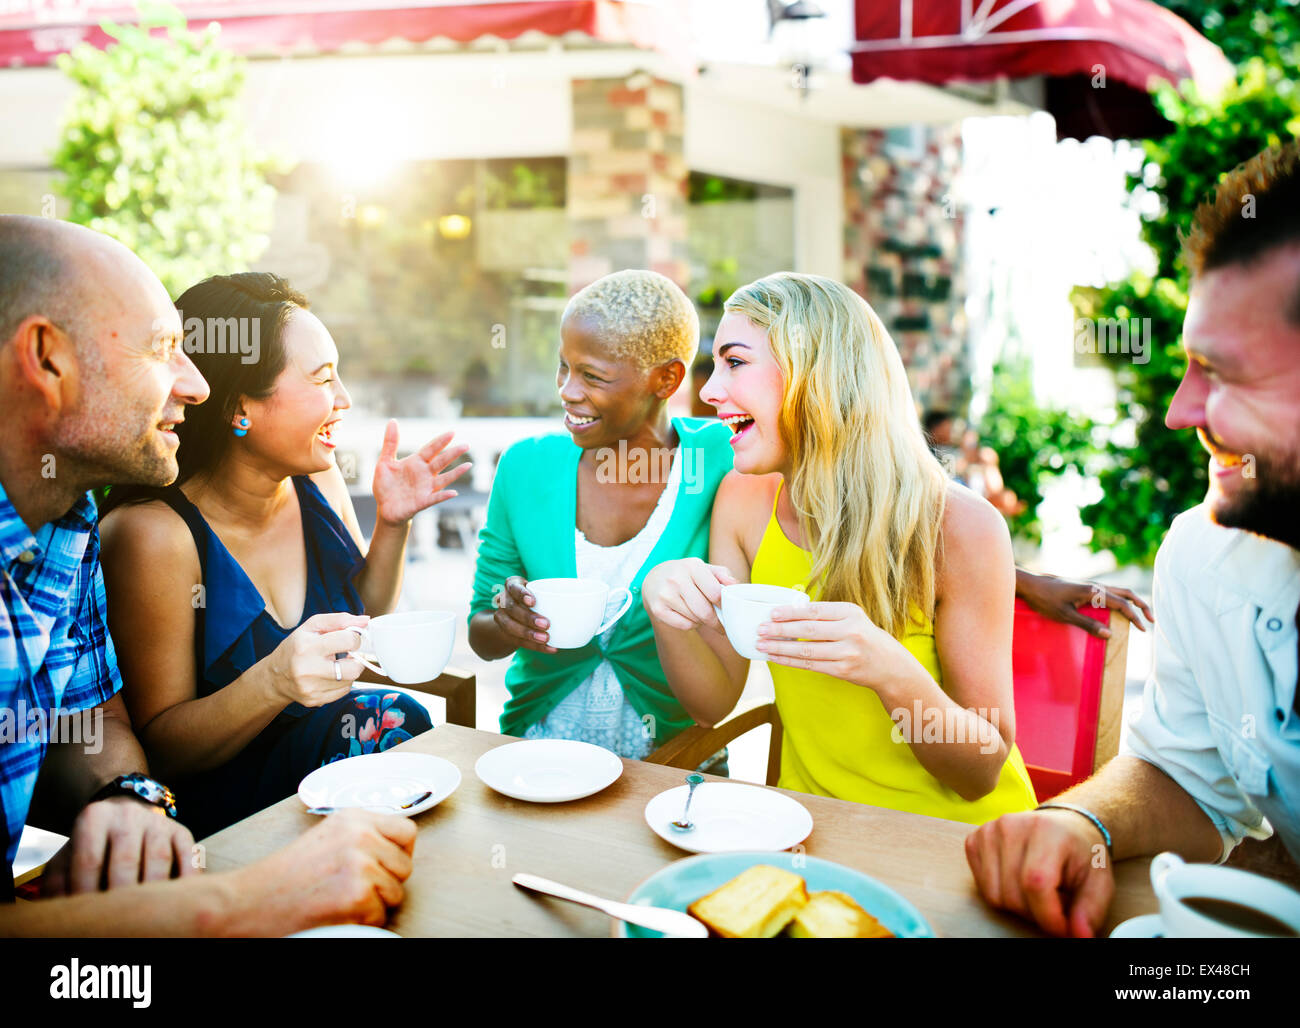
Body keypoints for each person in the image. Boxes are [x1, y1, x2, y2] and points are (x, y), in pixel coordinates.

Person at [0, 215, 415, 935]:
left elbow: (92, 720)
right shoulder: (145, 534)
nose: (193, 384)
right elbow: (166, 736)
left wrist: (128, 797)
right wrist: (237, 904)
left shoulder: (68, 531)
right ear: (47, 358)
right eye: (164, 351)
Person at [966, 141, 1300, 936]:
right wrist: (1081, 824)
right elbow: (1186, 772)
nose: (1180, 412)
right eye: (1188, 365)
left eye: (1229, 374)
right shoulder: (1206, 553)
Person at [642, 272, 1037, 822]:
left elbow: (981, 772)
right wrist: (664, 605)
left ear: (817, 374)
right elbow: (712, 705)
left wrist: (889, 671)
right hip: (807, 831)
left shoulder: (962, 527)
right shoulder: (744, 499)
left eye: (734, 362)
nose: (708, 391)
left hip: (953, 844)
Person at [98, 273, 467, 838]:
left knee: (403, 726)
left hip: (325, 777)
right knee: (391, 720)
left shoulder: (317, 482)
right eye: (323, 379)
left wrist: (393, 525)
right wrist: (271, 682)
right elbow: (160, 749)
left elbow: (364, 614)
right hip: (220, 812)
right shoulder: (155, 535)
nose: (344, 399)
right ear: (239, 406)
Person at [468, 270, 734, 761]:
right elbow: (480, 634)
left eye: (592, 375)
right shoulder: (526, 467)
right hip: (539, 756)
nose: (568, 391)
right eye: (563, 368)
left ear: (667, 379)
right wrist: (507, 621)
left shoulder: (721, 459)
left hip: (677, 761)